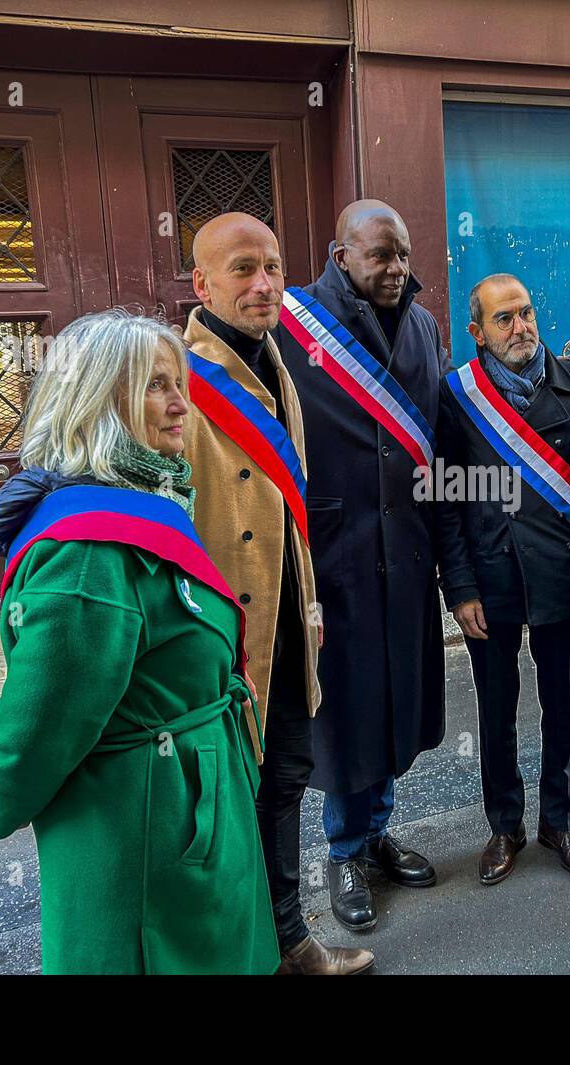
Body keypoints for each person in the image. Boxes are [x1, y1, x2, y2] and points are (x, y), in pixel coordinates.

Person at [0, 309, 277, 974]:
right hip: (141, 847)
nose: (180, 403)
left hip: (188, 824)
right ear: (95, 400)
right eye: (155, 386)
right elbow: (37, 729)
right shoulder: (88, 553)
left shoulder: (151, 497)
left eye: (179, 383)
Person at [183, 212, 373, 975]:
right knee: (223, 803)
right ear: (201, 283)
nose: (263, 283)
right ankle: (243, 952)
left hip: (286, 622)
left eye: (272, 267)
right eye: (242, 269)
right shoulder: (173, 376)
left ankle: (288, 938)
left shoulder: (273, 359)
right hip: (218, 635)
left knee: (285, 779)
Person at [273, 200, 446, 931]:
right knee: (343, 709)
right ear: (340, 254)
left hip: (404, 550)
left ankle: (377, 832)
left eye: (403, 254)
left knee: (394, 698)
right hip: (333, 553)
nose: (397, 268)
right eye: (381, 255)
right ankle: (342, 851)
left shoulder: (424, 323)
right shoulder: (289, 327)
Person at [435, 273, 570, 885]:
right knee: (496, 708)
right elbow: (446, 499)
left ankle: (560, 820)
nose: (520, 328)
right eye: (503, 319)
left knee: (564, 704)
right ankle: (504, 825)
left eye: (526, 313)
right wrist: (459, 586)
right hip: (492, 575)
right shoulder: (455, 396)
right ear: (477, 332)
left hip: (561, 571)